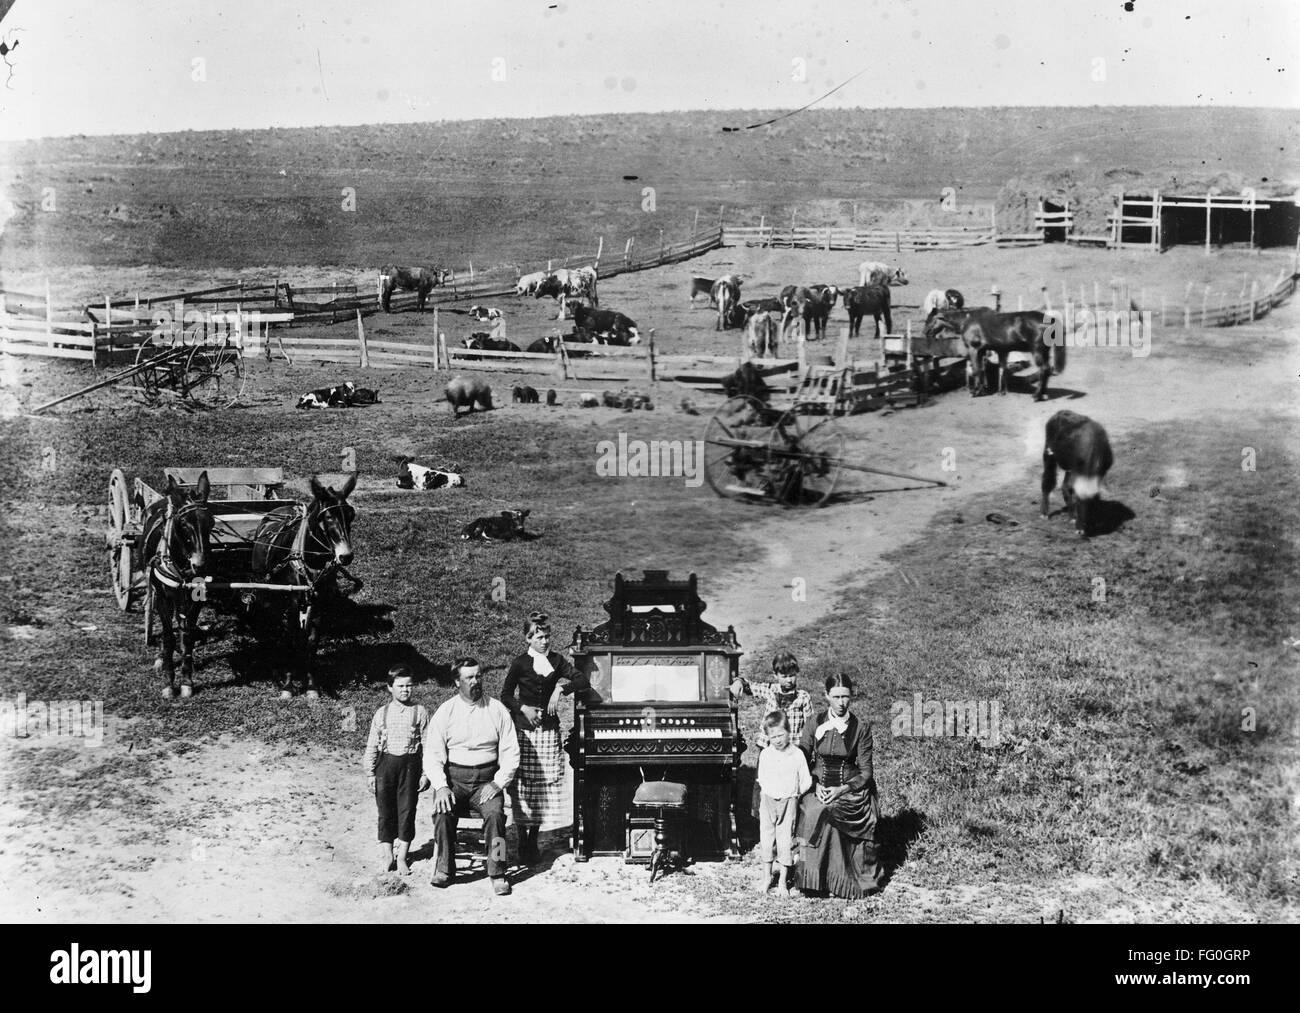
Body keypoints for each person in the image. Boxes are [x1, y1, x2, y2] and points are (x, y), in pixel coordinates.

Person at [425, 657, 520, 896]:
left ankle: (498, 871)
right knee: (441, 811)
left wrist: (499, 783)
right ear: (457, 682)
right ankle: (444, 868)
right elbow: (432, 754)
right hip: (454, 781)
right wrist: (440, 786)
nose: (476, 681)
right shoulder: (446, 711)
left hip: (486, 783)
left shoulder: (496, 709)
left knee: (496, 815)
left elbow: (511, 751)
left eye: (478, 676)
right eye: (469, 677)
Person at [501, 611, 587, 864]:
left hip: (548, 733)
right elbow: (506, 694)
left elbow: (582, 679)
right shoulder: (520, 663)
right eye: (539, 637)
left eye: (547, 636)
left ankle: (534, 837)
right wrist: (523, 708)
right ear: (528, 638)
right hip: (525, 733)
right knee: (522, 785)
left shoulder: (557, 660)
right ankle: (522, 835)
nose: (545, 641)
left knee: (542, 787)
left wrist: (560, 688)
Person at [796, 673, 883, 899]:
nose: (841, 702)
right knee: (813, 809)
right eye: (836, 697)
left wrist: (841, 789)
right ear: (826, 696)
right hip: (817, 784)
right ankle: (813, 880)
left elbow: (866, 771)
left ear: (851, 696)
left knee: (831, 810)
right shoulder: (814, 722)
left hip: (848, 788)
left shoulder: (860, 728)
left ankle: (840, 881)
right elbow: (801, 758)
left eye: (846, 696)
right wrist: (814, 786)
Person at [363, 665, 431, 875]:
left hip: (410, 767)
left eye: (409, 686)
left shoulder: (419, 711)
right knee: (385, 811)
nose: (405, 690)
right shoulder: (381, 713)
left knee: (407, 810)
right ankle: (387, 855)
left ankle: (402, 857)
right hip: (385, 766)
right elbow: (372, 745)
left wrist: (426, 773)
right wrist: (370, 773)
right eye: (400, 686)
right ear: (389, 687)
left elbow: (428, 745)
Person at [729, 651, 814, 816]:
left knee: (789, 785)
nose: (789, 680)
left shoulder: (803, 697)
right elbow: (749, 686)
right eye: (784, 676)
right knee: (762, 782)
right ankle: (762, 819)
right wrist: (739, 682)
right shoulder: (770, 691)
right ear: (776, 675)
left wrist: (806, 751)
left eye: (792, 675)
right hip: (768, 747)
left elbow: (810, 726)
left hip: (791, 749)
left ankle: (790, 819)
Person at [755, 710, 811, 896]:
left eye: (781, 735)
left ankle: (782, 882)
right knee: (767, 838)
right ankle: (766, 877)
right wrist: (769, 793)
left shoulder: (797, 755)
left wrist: (794, 794)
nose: (777, 740)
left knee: (785, 841)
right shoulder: (766, 755)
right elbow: (761, 777)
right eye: (773, 736)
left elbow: (806, 780)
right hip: (768, 800)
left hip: (788, 801)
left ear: (789, 732)